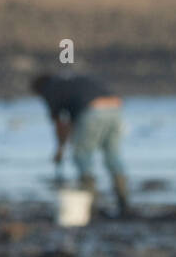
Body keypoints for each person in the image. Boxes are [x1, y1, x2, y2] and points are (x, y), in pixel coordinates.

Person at [30, 73, 131, 217]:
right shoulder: (72, 83)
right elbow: (72, 120)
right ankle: (124, 204)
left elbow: (60, 123)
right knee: (113, 156)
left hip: (92, 111)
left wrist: (60, 149)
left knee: (82, 156)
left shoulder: (51, 90)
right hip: (116, 107)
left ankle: (90, 207)